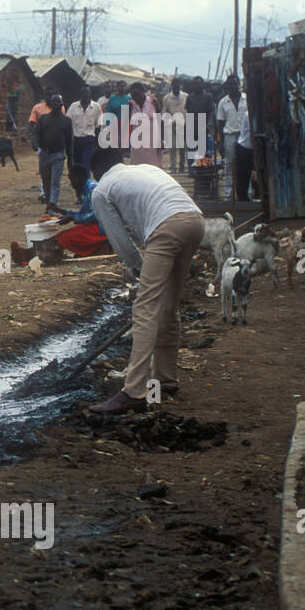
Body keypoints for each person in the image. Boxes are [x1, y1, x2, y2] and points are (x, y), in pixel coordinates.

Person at [86, 149, 204, 414]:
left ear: (96, 171)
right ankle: (165, 380)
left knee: (145, 308)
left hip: (167, 227)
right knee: (168, 306)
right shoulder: (142, 170)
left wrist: (139, 268)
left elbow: (121, 243)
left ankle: (135, 391)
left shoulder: (101, 190)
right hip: (195, 220)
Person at [9, 166, 109, 265]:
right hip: (98, 225)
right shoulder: (87, 188)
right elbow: (84, 212)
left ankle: (30, 255)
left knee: (65, 237)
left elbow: (96, 215)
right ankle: (31, 253)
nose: (72, 183)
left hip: (101, 228)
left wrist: (72, 217)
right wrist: (61, 211)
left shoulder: (92, 189)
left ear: (79, 178)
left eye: (72, 180)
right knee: (63, 235)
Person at [33, 94, 73, 208]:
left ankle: (52, 204)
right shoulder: (43, 119)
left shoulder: (66, 121)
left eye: (58, 102)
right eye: (53, 102)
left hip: (58, 154)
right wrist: (35, 143)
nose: (55, 104)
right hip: (44, 153)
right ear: (50, 104)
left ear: (61, 104)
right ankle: (48, 201)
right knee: (45, 180)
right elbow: (36, 133)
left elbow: (70, 141)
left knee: (55, 181)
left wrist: (71, 159)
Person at [216, 75, 248, 202]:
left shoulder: (247, 99)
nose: (233, 87)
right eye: (230, 84)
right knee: (229, 165)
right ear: (227, 86)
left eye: (235, 84)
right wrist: (220, 142)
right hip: (229, 136)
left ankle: (246, 194)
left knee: (245, 165)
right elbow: (220, 123)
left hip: (245, 135)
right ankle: (228, 194)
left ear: (238, 84)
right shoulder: (223, 102)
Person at [65, 85, 102, 194]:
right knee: (76, 168)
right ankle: (79, 194)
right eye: (83, 92)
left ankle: (87, 193)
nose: (85, 94)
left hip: (89, 140)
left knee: (85, 167)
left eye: (87, 92)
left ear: (90, 93)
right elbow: (68, 123)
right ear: (80, 94)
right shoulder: (73, 107)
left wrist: (98, 144)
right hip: (76, 140)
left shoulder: (96, 107)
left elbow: (98, 126)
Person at [126, 84, 162, 168]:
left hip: (152, 142)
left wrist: (162, 139)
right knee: (138, 167)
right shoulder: (131, 105)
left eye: (137, 94)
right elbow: (128, 124)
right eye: (133, 95)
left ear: (143, 92)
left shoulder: (153, 102)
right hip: (137, 143)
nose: (135, 97)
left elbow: (161, 121)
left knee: (153, 167)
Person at [182, 76, 214, 169]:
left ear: (202, 84)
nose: (197, 86)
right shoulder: (190, 98)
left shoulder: (208, 97)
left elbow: (211, 112)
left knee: (205, 154)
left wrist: (208, 125)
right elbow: (188, 113)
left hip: (204, 130)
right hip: (192, 130)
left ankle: (205, 173)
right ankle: (193, 173)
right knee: (191, 154)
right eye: (195, 84)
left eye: (199, 84)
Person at [161, 79, 188, 172]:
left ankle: (182, 167)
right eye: (174, 85)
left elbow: (188, 110)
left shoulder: (186, 96)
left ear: (180, 86)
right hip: (171, 126)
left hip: (184, 125)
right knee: (172, 147)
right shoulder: (166, 98)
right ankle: (173, 167)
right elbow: (164, 112)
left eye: (178, 85)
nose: (176, 87)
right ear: (172, 86)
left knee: (183, 148)